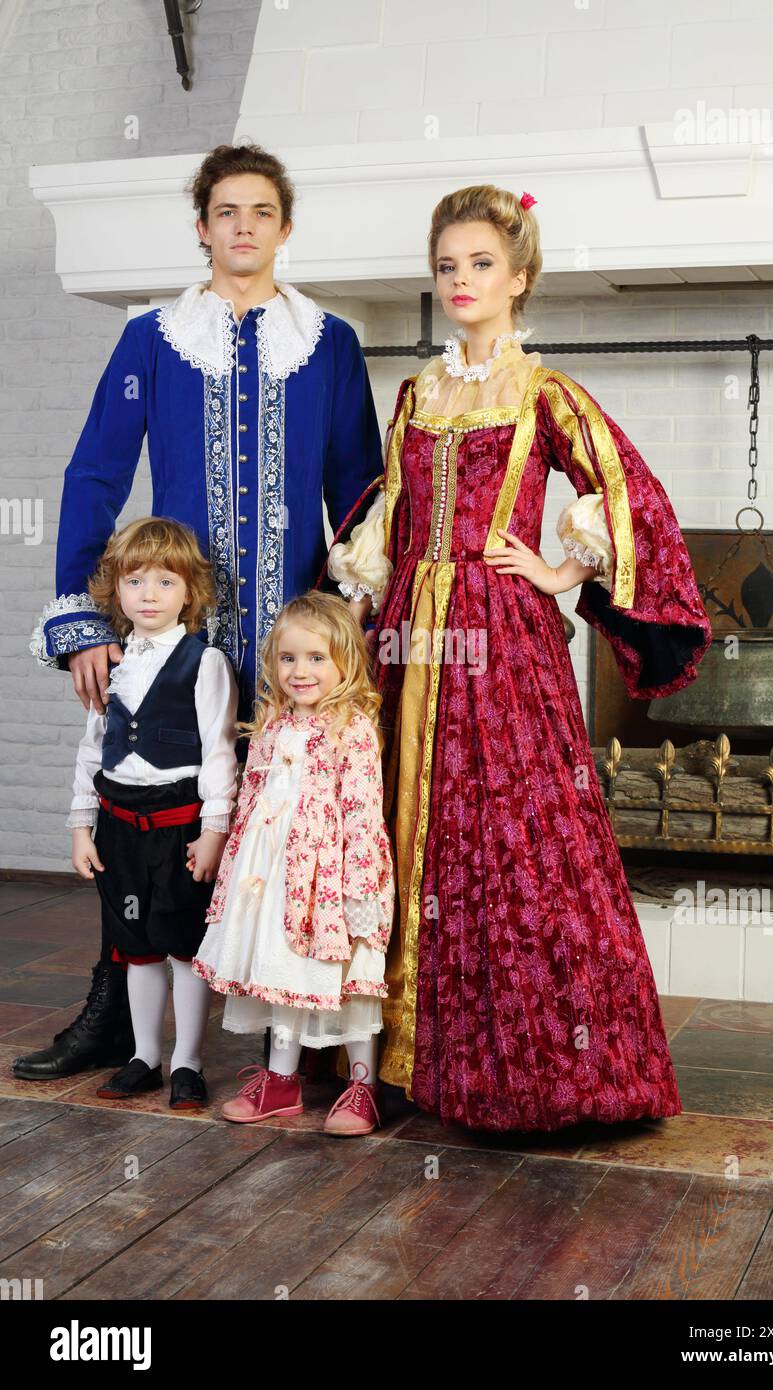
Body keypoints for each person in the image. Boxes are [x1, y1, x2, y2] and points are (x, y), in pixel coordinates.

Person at [325, 185, 713, 1132]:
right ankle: (406, 1063)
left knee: (513, 827)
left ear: (521, 277)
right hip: (412, 638)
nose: (462, 281)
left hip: (502, 635)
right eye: (448, 266)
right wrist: (366, 601)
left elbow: (631, 493)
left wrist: (555, 568)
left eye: (481, 265)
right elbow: (394, 519)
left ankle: (542, 1069)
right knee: (410, 821)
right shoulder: (417, 394)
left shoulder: (545, 393)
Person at [18, 142, 382, 1081]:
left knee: (290, 835)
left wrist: (357, 619)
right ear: (203, 227)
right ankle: (117, 1014)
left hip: (292, 651)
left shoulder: (330, 343)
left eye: (262, 211)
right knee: (145, 826)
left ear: (285, 227)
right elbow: (96, 471)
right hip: (171, 640)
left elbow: (359, 489)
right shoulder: (153, 338)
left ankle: (293, 1041)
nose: (245, 227)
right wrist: (86, 618)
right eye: (227, 211)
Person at [193, 591, 395, 1136]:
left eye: (315, 658)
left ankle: (362, 1086)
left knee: (348, 978)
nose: (300, 671)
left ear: (345, 662)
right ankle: (280, 1081)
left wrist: (360, 890)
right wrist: (236, 867)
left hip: (331, 875)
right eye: (288, 659)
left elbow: (361, 811)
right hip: (274, 875)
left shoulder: (350, 728)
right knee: (283, 971)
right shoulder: (272, 726)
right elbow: (252, 798)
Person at [65, 517, 238, 1109]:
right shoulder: (108, 663)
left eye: (166, 582)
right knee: (134, 944)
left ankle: (188, 1061)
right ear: (116, 591)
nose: (149, 595)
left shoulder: (203, 662)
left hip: (178, 826)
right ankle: (146, 1054)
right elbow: (93, 749)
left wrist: (214, 832)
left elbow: (218, 751)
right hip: (119, 826)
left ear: (190, 592)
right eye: (135, 581)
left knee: (183, 944)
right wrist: (82, 828)